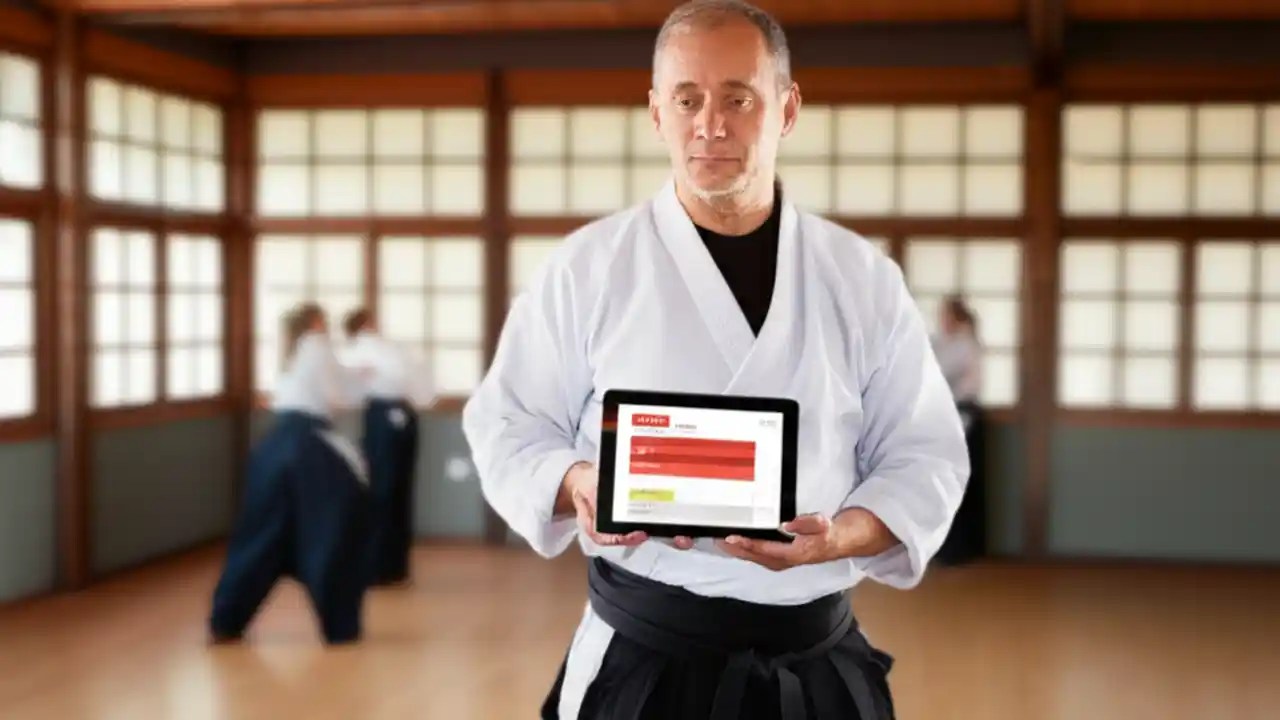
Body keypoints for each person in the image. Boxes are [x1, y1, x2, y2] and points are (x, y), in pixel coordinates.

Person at [463, 1, 969, 718]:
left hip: (813, 658)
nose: (710, 123)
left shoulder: (862, 278)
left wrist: (838, 538)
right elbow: (508, 425)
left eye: (739, 98)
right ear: (656, 113)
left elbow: (925, 457)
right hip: (643, 656)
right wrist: (580, 482)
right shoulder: (587, 268)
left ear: (787, 109)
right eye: (687, 99)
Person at [209, 302, 372, 644]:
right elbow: (337, 396)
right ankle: (340, 626)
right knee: (332, 533)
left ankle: (227, 618)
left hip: (275, 447)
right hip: (311, 447)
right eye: (323, 321)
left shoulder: (289, 352)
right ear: (314, 323)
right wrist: (362, 379)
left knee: (259, 534)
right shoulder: (317, 345)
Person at [340, 307, 437, 586]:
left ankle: (389, 565)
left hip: (392, 414)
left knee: (390, 488)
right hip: (393, 413)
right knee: (389, 489)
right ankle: (387, 565)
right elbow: (410, 378)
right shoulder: (365, 349)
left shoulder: (382, 349)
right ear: (364, 325)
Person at [931, 295, 987, 565]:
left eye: (945, 315)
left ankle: (960, 548)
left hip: (963, 415)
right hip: (948, 414)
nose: (941, 320)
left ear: (956, 317)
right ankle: (948, 547)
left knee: (957, 481)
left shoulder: (964, 343)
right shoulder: (946, 342)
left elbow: (939, 372)